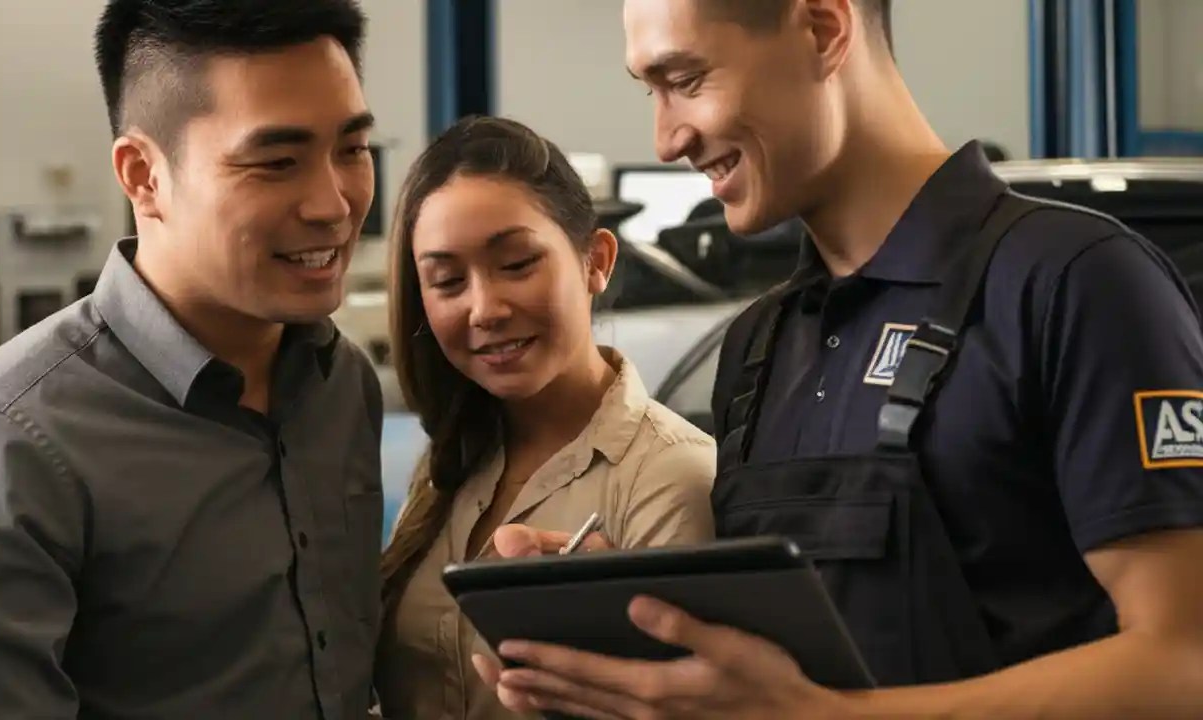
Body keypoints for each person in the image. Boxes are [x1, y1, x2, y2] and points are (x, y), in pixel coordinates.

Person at [474, 0, 1203, 717]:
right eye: (650, 89)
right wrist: (638, 625)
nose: (667, 138)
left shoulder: (1074, 283)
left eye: (687, 80)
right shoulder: (761, 345)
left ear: (823, 30)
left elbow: (1183, 661)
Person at [0, 1, 384, 717]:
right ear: (142, 174)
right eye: (276, 162)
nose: (333, 203)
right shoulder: (3, 442)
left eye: (352, 151)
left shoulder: (341, 382)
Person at [372, 115, 716, 720]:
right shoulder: (451, 461)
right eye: (448, 280)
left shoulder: (668, 477)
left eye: (517, 264)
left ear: (596, 261)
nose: (485, 309)